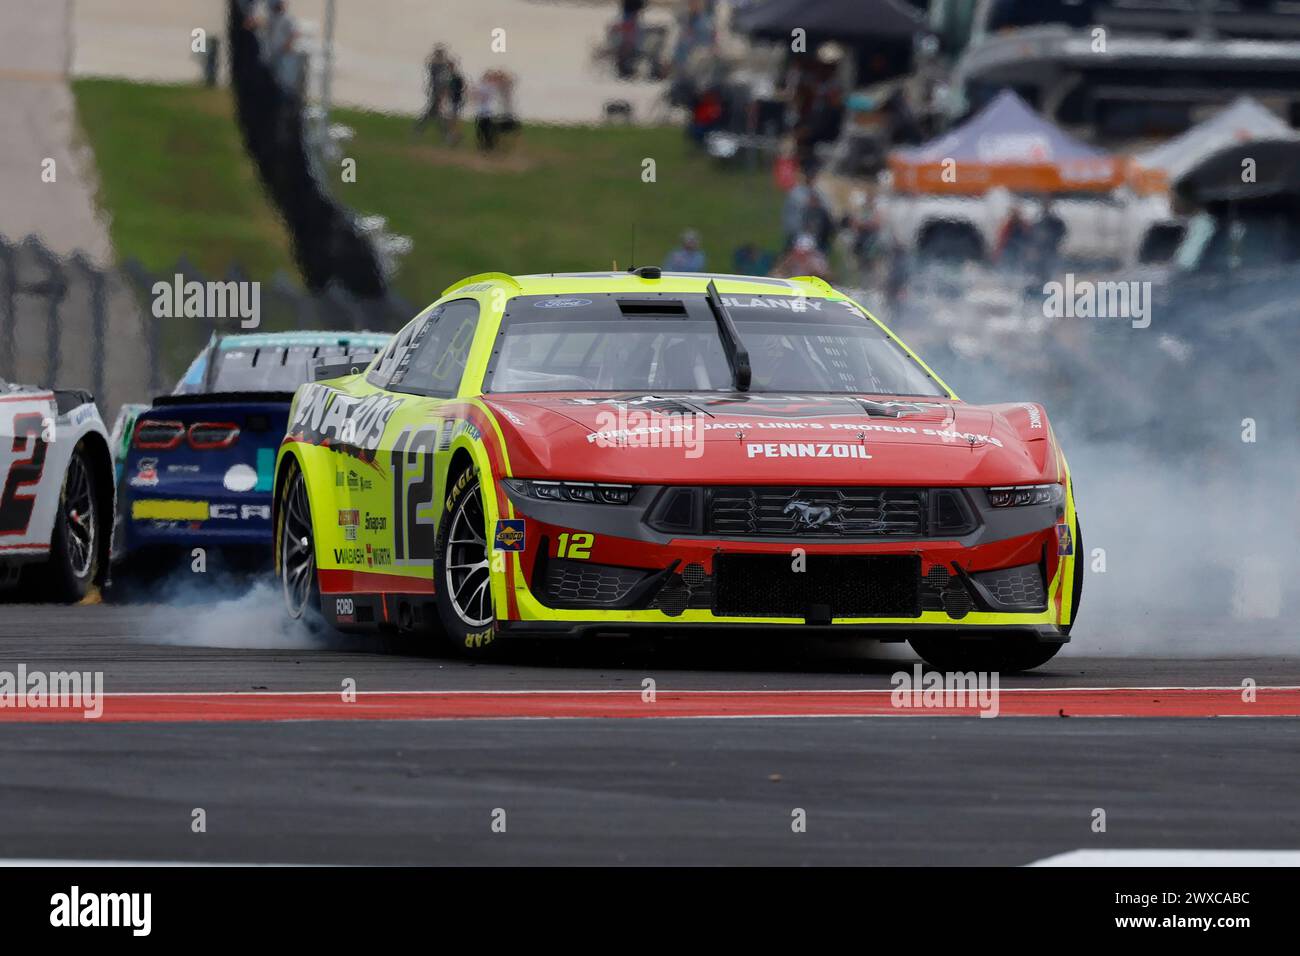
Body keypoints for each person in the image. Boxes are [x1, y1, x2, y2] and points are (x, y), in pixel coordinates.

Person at [414, 45, 452, 135]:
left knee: (433, 112)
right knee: (437, 112)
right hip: (436, 91)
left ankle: (419, 128)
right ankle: (445, 133)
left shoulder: (437, 65)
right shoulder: (437, 66)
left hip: (437, 91)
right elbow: (439, 80)